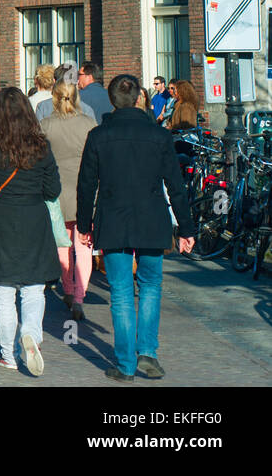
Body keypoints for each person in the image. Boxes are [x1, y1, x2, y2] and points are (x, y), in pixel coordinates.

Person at [76, 74, 196, 381]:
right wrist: (186, 228)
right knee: (151, 286)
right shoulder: (159, 136)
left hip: (114, 219)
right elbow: (176, 184)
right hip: (152, 218)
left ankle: (126, 365)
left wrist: (84, 224)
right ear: (140, 99)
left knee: (120, 292)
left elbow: (86, 184)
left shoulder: (98, 136)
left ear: (113, 101)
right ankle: (148, 353)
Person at [0, 87, 62, 375]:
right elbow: (53, 189)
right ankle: (32, 337)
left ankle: (7, 354)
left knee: (3, 288)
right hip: (34, 217)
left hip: (2, 218)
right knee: (35, 287)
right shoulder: (41, 145)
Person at [39, 81, 96, 320]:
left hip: (56, 189)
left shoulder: (46, 125)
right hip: (84, 189)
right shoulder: (88, 124)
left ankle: (69, 291)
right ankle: (80, 296)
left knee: (63, 243)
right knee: (84, 244)